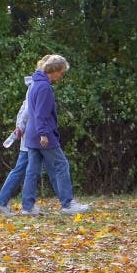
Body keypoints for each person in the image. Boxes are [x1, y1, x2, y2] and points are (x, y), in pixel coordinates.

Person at [20, 54, 90, 216]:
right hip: (42, 134)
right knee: (61, 165)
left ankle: (27, 206)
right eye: (61, 72)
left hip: (31, 133)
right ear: (55, 70)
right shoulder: (44, 87)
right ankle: (68, 204)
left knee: (33, 170)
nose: (61, 76)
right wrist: (44, 133)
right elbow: (41, 113)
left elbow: (32, 112)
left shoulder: (35, 84)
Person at [0, 75, 59, 216]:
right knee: (26, 169)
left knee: (21, 169)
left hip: (28, 134)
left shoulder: (33, 85)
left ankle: (3, 202)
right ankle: (19, 205)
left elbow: (24, 108)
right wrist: (20, 127)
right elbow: (28, 110)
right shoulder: (37, 86)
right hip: (31, 135)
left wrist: (19, 126)